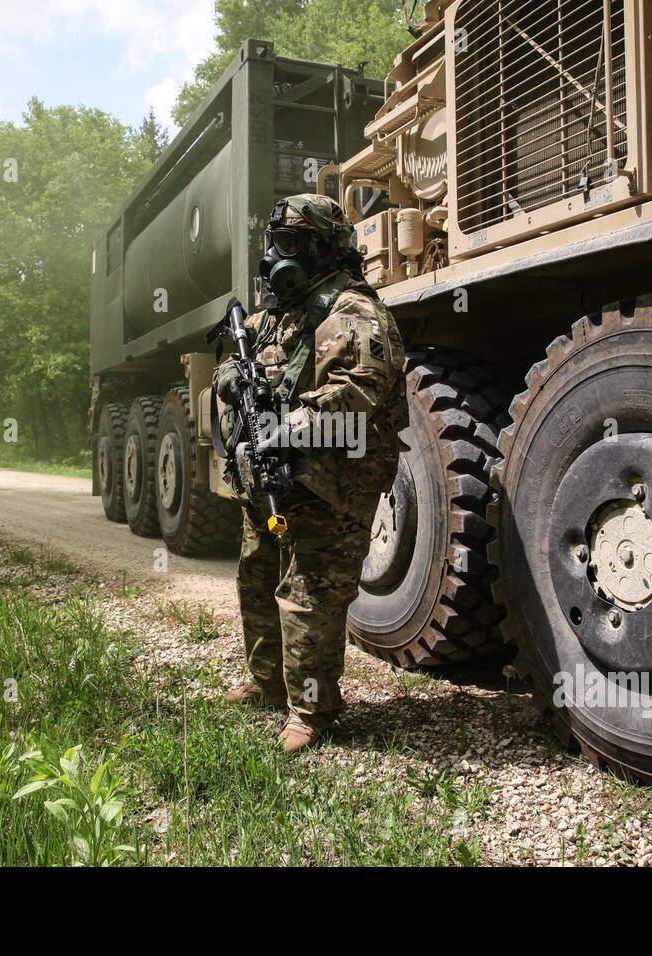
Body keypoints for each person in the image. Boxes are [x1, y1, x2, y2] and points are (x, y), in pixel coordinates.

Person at [214, 193, 408, 753]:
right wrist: (232, 380)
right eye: (275, 244)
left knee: (310, 596)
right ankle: (268, 683)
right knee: (256, 577)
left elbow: (360, 392)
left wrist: (288, 424)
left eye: (292, 245)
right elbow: (242, 356)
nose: (278, 256)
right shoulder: (280, 310)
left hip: (334, 482)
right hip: (273, 476)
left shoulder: (355, 312)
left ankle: (311, 710)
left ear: (325, 248)